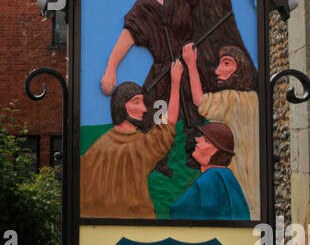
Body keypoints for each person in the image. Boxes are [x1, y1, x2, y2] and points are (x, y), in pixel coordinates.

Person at [100, 0, 233, 125]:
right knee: (158, 128)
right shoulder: (141, 8)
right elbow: (127, 37)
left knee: (202, 118)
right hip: (162, 77)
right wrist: (111, 68)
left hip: (191, 65)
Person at [81, 64, 182, 219]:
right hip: (137, 226)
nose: (144, 109)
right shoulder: (139, 147)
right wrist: (175, 83)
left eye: (142, 102)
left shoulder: (95, 149)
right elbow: (169, 124)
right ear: (121, 105)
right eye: (136, 102)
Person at [182, 41, 260, 216]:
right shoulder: (255, 100)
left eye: (226, 64)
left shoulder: (231, 100)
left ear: (240, 68)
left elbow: (200, 102)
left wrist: (191, 64)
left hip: (236, 186)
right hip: (255, 190)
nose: (218, 71)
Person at [168, 121, 250, 221]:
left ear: (217, 151)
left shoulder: (212, 177)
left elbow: (179, 211)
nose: (197, 139)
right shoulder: (226, 176)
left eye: (206, 140)